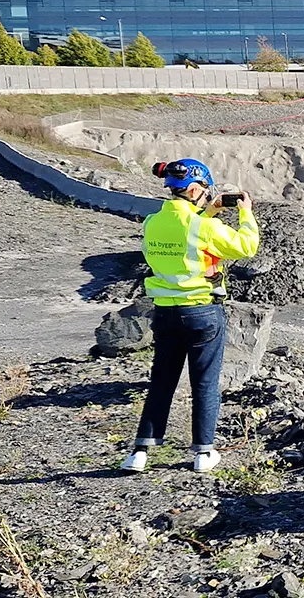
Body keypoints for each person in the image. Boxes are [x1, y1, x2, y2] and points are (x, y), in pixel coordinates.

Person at [121, 158, 260, 474]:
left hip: (165, 314)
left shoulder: (152, 223)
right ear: (195, 189)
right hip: (202, 312)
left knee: (162, 381)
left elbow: (184, 238)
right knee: (205, 383)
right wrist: (245, 211)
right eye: (205, 191)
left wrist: (208, 212)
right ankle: (203, 454)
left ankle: (139, 453)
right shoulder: (206, 227)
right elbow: (247, 245)